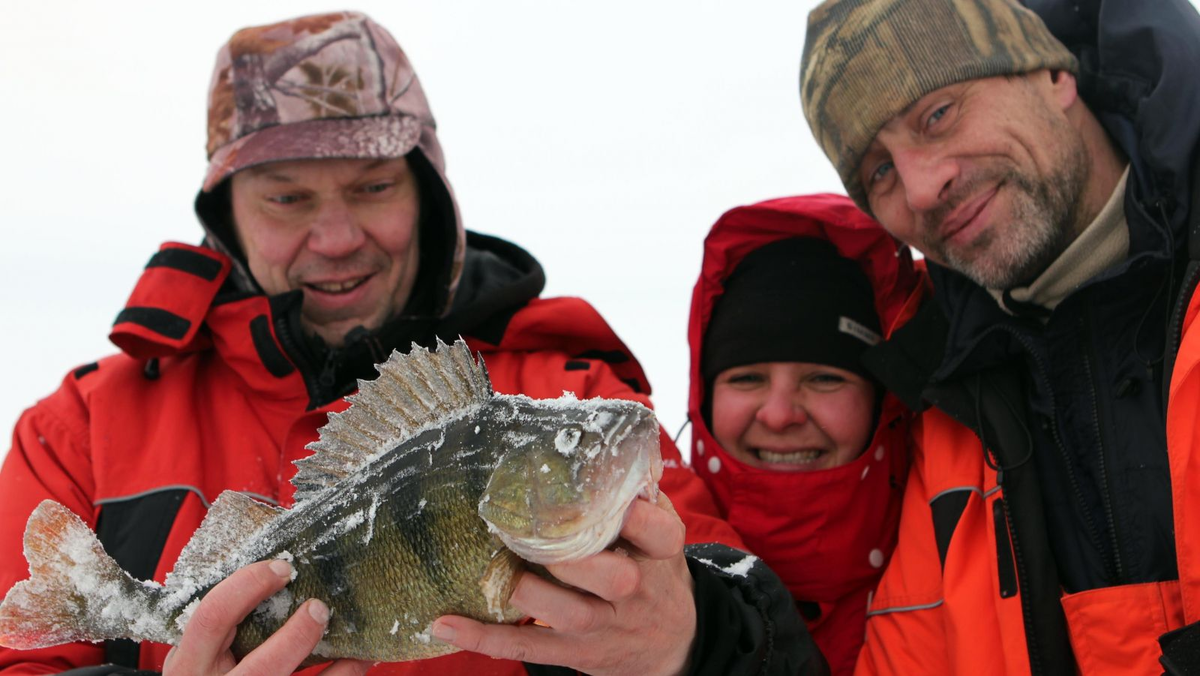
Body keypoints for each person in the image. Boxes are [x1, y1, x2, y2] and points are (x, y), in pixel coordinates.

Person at [0, 12, 825, 676]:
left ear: (429, 196)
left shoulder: (566, 401)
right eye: (286, 197)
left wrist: (690, 646)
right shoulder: (80, 434)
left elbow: (750, 607)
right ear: (226, 217)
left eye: (372, 187)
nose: (334, 237)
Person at [799, 0, 1200, 673]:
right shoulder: (951, 417)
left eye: (937, 113)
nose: (923, 190)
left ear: (1049, 73)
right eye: (880, 174)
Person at [685, 195, 924, 675]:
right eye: (746, 378)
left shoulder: (951, 565)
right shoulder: (633, 578)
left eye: (824, 379)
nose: (779, 415)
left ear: (881, 402)